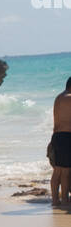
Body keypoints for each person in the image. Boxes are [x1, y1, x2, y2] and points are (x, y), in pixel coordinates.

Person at [50, 77, 71, 206]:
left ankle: (55, 200)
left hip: (57, 136)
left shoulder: (58, 98)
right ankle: (64, 199)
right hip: (67, 137)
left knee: (58, 170)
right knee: (66, 170)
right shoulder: (70, 97)